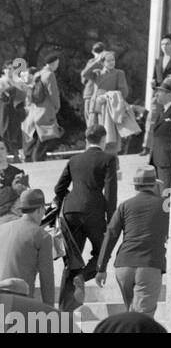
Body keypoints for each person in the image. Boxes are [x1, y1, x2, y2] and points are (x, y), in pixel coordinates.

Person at [95, 166, 169, 318]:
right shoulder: (164, 206)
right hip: (149, 266)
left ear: (135, 186)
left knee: (132, 316)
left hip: (124, 267)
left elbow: (110, 235)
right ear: (154, 184)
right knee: (143, 319)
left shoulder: (125, 205)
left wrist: (101, 268)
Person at [53, 124, 118, 292]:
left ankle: (64, 307)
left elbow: (59, 188)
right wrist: (111, 221)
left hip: (70, 212)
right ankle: (81, 277)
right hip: (94, 212)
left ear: (86, 140)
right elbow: (111, 193)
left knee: (71, 260)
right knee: (102, 253)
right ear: (104, 139)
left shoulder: (73, 160)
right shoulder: (109, 159)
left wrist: (70, 199)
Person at [0, 188, 55, 303]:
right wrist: (50, 310)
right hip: (18, 304)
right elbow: (47, 279)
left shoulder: (2, 228)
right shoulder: (42, 236)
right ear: (40, 209)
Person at [22, 52, 61, 162]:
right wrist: (56, 107)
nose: (57, 65)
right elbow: (53, 93)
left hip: (35, 111)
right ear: (53, 63)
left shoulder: (38, 74)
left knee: (37, 136)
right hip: (46, 110)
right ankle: (37, 158)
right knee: (47, 136)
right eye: (57, 63)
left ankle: (28, 156)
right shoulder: (49, 74)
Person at [149, 84, 171, 189]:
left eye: (159, 92)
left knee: (166, 195)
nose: (156, 95)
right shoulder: (162, 111)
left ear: (169, 94)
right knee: (160, 195)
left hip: (167, 161)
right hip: (158, 160)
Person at [0, 60, 28, 158]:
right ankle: (10, 155)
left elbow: (24, 93)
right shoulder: (2, 81)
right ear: (4, 70)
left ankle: (18, 155)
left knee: (16, 133)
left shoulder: (17, 81)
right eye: (8, 68)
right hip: (4, 112)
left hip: (15, 112)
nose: (10, 70)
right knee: (5, 132)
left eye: (12, 68)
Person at [80, 43, 108, 126]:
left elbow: (83, 80)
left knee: (91, 125)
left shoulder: (91, 62)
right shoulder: (108, 62)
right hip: (101, 95)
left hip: (90, 94)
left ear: (92, 52)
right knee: (100, 124)